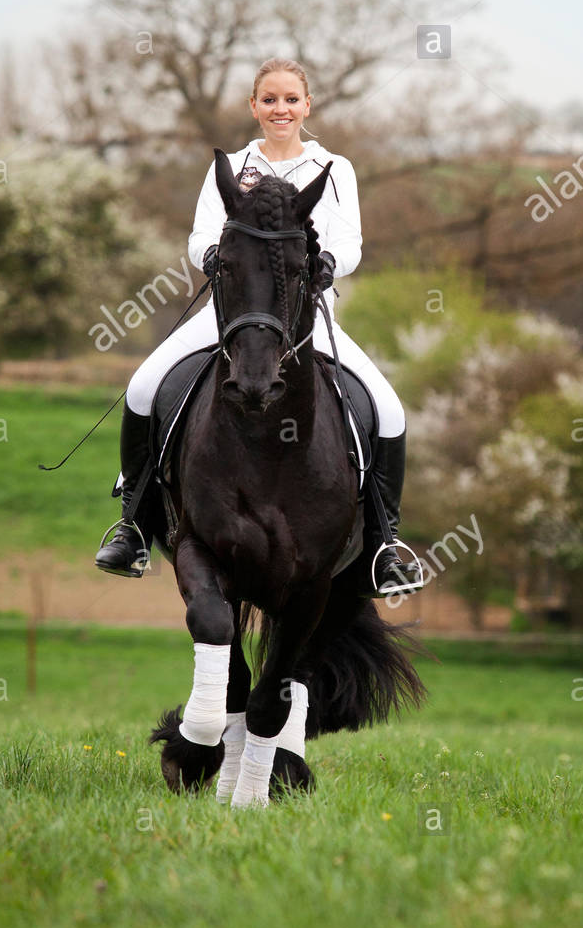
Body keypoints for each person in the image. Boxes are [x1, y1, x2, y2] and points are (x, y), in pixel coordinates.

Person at [95, 57, 418, 590]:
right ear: (253, 107)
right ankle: (132, 522)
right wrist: (221, 256)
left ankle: (387, 544)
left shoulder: (333, 168)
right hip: (236, 312)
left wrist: (331, 264)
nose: (280, 108)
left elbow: (350, 241)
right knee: (143, 385)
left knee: (388, 409)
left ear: (307, 105)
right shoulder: (231, 167)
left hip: (308, 315)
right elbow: (201, 237)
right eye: (269, 99)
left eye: (291, 99)